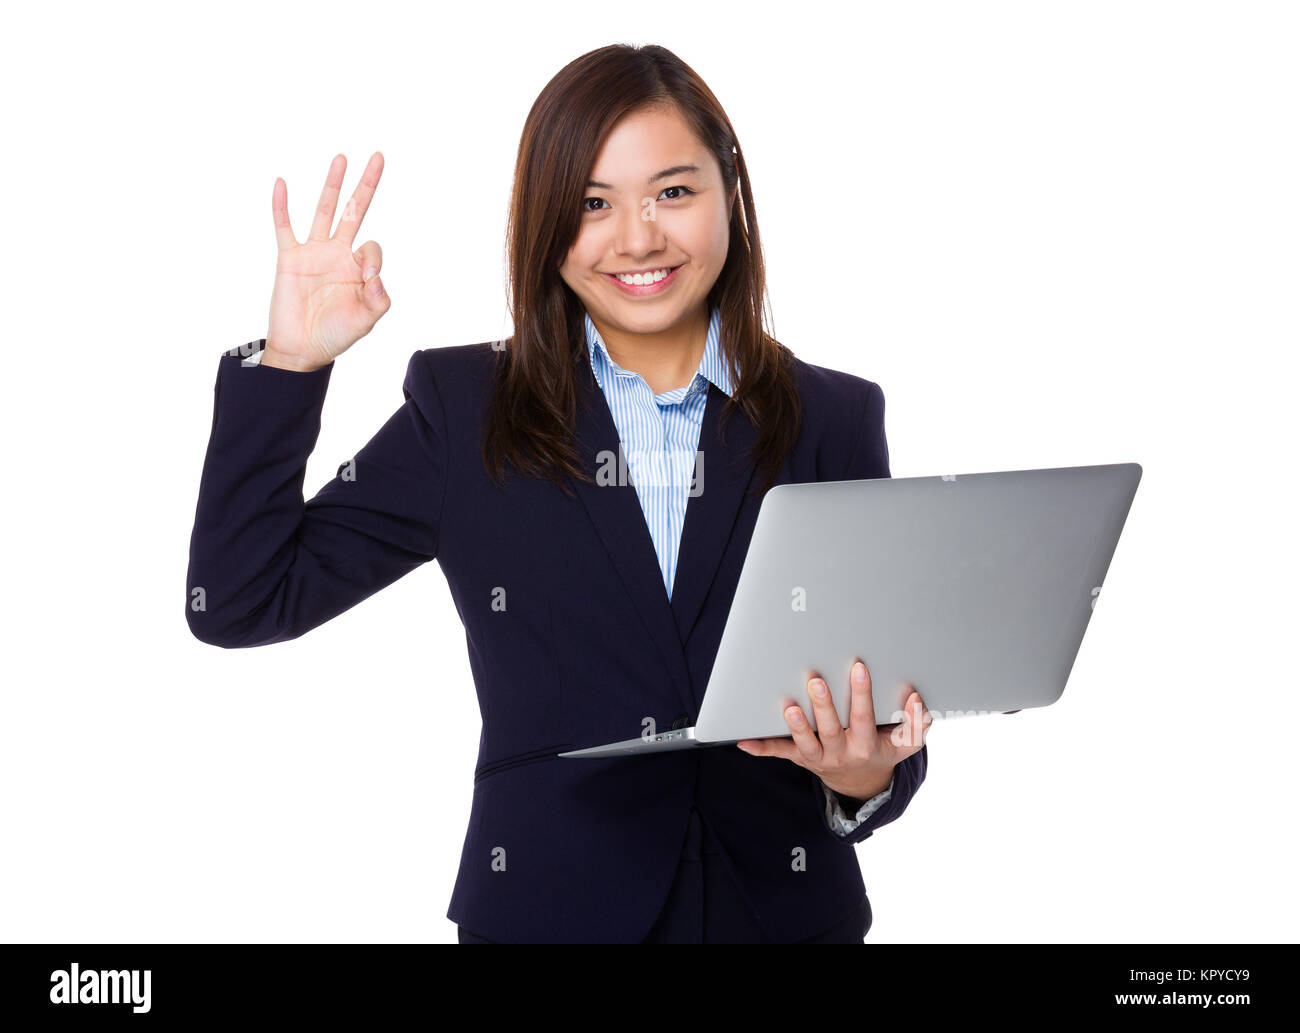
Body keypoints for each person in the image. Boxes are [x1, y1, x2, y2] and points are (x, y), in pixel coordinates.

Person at [186, 43, 932, 944]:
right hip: (548, 914)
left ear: (730, 192)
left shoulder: (833, 415)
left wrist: (864, 778)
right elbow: (238, 597)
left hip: (781, 917)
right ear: (544, 221)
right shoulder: (466, 409)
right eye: (591, 203)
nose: (638, 238)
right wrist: (289, 365)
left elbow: (880, 711)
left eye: (674, 192)